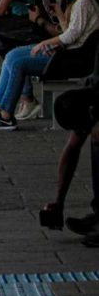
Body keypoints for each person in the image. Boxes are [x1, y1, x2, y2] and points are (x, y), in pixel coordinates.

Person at [0, 0, 99, 131]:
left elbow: (71, 36)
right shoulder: (81, 3)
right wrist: (59, 14)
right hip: (67, 54)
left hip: (70, 58)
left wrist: (44, 43)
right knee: (12, 55)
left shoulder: (84, 3)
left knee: (19, 63)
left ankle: (5, 115)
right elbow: (69, 31)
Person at [39, 86, 99, 235]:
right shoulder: (88, 102)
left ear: (90, 111)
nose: (83, 132)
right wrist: (59, 201)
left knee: (97, 139)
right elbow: (72, 150)